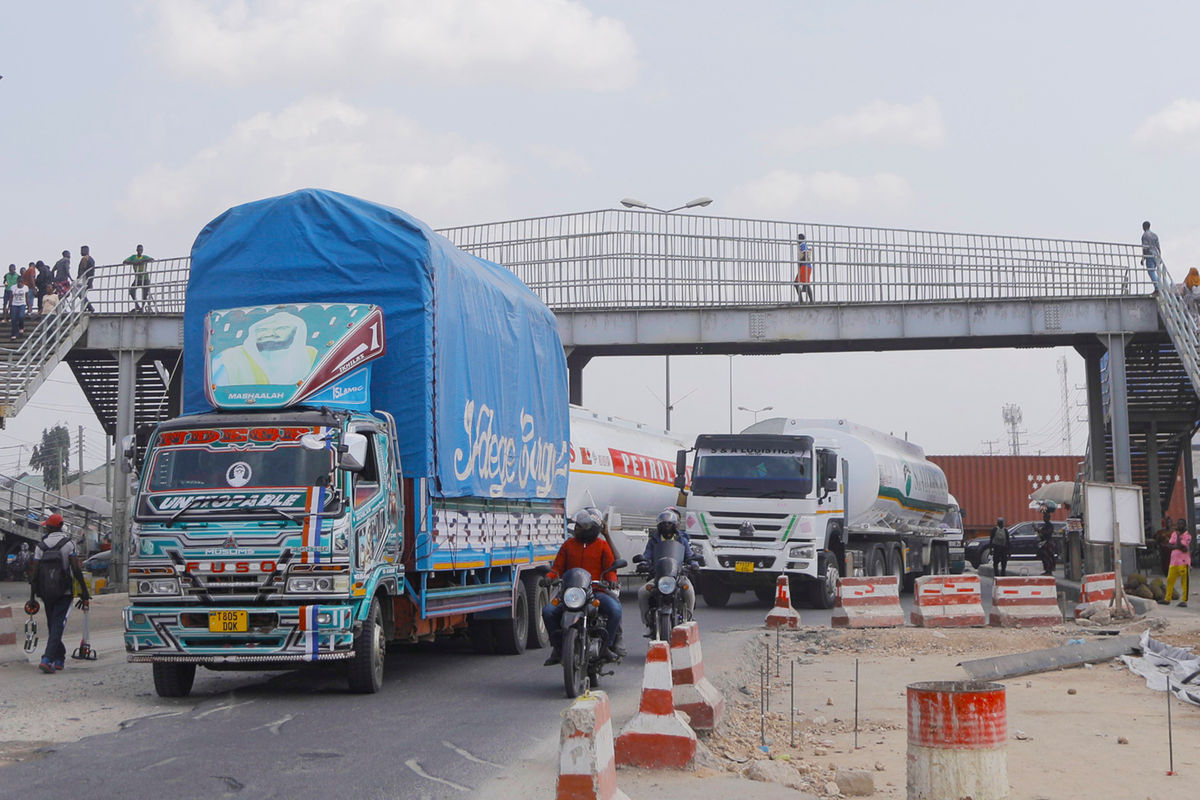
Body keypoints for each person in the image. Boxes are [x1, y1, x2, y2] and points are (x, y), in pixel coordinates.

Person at [541, 508, 624, 665]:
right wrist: (548, 578)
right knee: (548, 611)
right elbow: (556, 568)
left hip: (595, 592)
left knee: (615, 609)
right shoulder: (568, 545)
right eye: (577, 526)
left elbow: (610, 569)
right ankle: (558, 648)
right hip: (570, 592)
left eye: (581, 526)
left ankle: (607, 646)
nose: (577, 529)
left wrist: (611, 580)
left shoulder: (602, 545)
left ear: (592, 528)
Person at [28, 513, 90, 673]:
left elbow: (34, 573)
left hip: (46, 592)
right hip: (65, 591)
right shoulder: (69, 544)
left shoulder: (40, 546)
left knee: (52, 625)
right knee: (57, 625)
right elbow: (76, 569)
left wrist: (32, 596)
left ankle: (59, 658)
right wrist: (84, 591)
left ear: (49, 527)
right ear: (62, 526)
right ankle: (48, 658)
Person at [211, 311, 319, 386]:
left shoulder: (312, 355)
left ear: (295, 332)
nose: (270, 333)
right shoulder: (228, 358)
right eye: (262, 330)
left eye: (281, 328)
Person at [637, 508, 698, 634]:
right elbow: (647, 554)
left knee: (689, 590)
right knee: (642, 592)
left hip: (678, 576)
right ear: (659, 525)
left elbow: (690, 555)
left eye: (669, 523)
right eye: (664, 523)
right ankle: (648, 621)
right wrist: (643, 563)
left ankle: (688, 617)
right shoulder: (653, 540)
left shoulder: (682, 540)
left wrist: (694, 564)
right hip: (659, 576)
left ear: (675, 525)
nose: (667, 526)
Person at [1164, 519, 1192, 608]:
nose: (1179, 526)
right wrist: (1176, 546)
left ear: (1185, 525)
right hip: (1174, 561)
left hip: (1184, 562)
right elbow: (1169, 545)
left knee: (1184, 582)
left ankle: (1184, 601)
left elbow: (1183, 548)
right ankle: (1167, 599)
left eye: (1181, 524)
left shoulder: (1187, 536)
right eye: (1178, 524)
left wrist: (1178, 540)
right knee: (1169, 580)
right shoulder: (1174, 534)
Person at [124, 244, 154, 311]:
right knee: (132, 291)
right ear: (137, 250)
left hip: (145, 278)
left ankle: (142, 307)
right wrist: (134, 263)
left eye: (141, 250)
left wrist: (143, 261)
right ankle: (137, 305)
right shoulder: (133, 257)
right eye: (139, 250)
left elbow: (152, 259)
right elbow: (125, 262)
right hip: (138, 278)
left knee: (145, 293)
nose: (140, 251)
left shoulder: (144, 257)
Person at [1036, 508, 1057, 576]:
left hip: (1048, 543)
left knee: (1048, 557)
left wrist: (1039, 530)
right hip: (1045, 543)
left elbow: (1047, 533)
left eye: (1045, 517)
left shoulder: (1049, 525)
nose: (1044, 518)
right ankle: (1047, 570)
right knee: (1044, 557)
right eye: (1043, 517)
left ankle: (1049, 570)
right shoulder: (1045, 525)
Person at [793, 233, 813, 303]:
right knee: (804, 283)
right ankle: (809, 300)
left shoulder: (802, 245)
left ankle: (803, 300)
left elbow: (805, 255)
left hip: (805, 266)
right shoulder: (803, 245)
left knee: (797, 283)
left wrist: (800, 262)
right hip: (807, 266)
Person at [1142, 221, 1161, 289]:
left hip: (1149, 255)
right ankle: (1161, 287)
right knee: (1157, 272)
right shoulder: (1154, 235)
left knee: (1151, 271)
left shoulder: (1144, 235)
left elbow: (1145, 248)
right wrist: (1160, 256)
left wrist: (1143, 258)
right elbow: (1158, 246)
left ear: (1144, 227)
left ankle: (1157, 288)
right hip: (1156, 254)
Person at [9, 270, 28, 338]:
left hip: (22, 304)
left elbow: (27, 297)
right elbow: (11, 297)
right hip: (14, 304)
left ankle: (21, 327)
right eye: (19, 282)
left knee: (21, 316)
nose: (20, 283)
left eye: (21, 282)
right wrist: (10, 305)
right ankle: (14, 333)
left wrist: (29, 306)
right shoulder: (13, 287)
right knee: (14, 319)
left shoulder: (25, 288)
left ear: (23, 282)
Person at [77, 245, 96, 312]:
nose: (80, 252)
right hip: (88, 279)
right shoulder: (90, 259)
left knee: (79, 292)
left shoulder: (85, 259)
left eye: (82, 250)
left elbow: (82, 270)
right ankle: (85, 307)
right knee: (82, 294)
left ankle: (89, 307)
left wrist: (78, 279)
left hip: (85, 280)